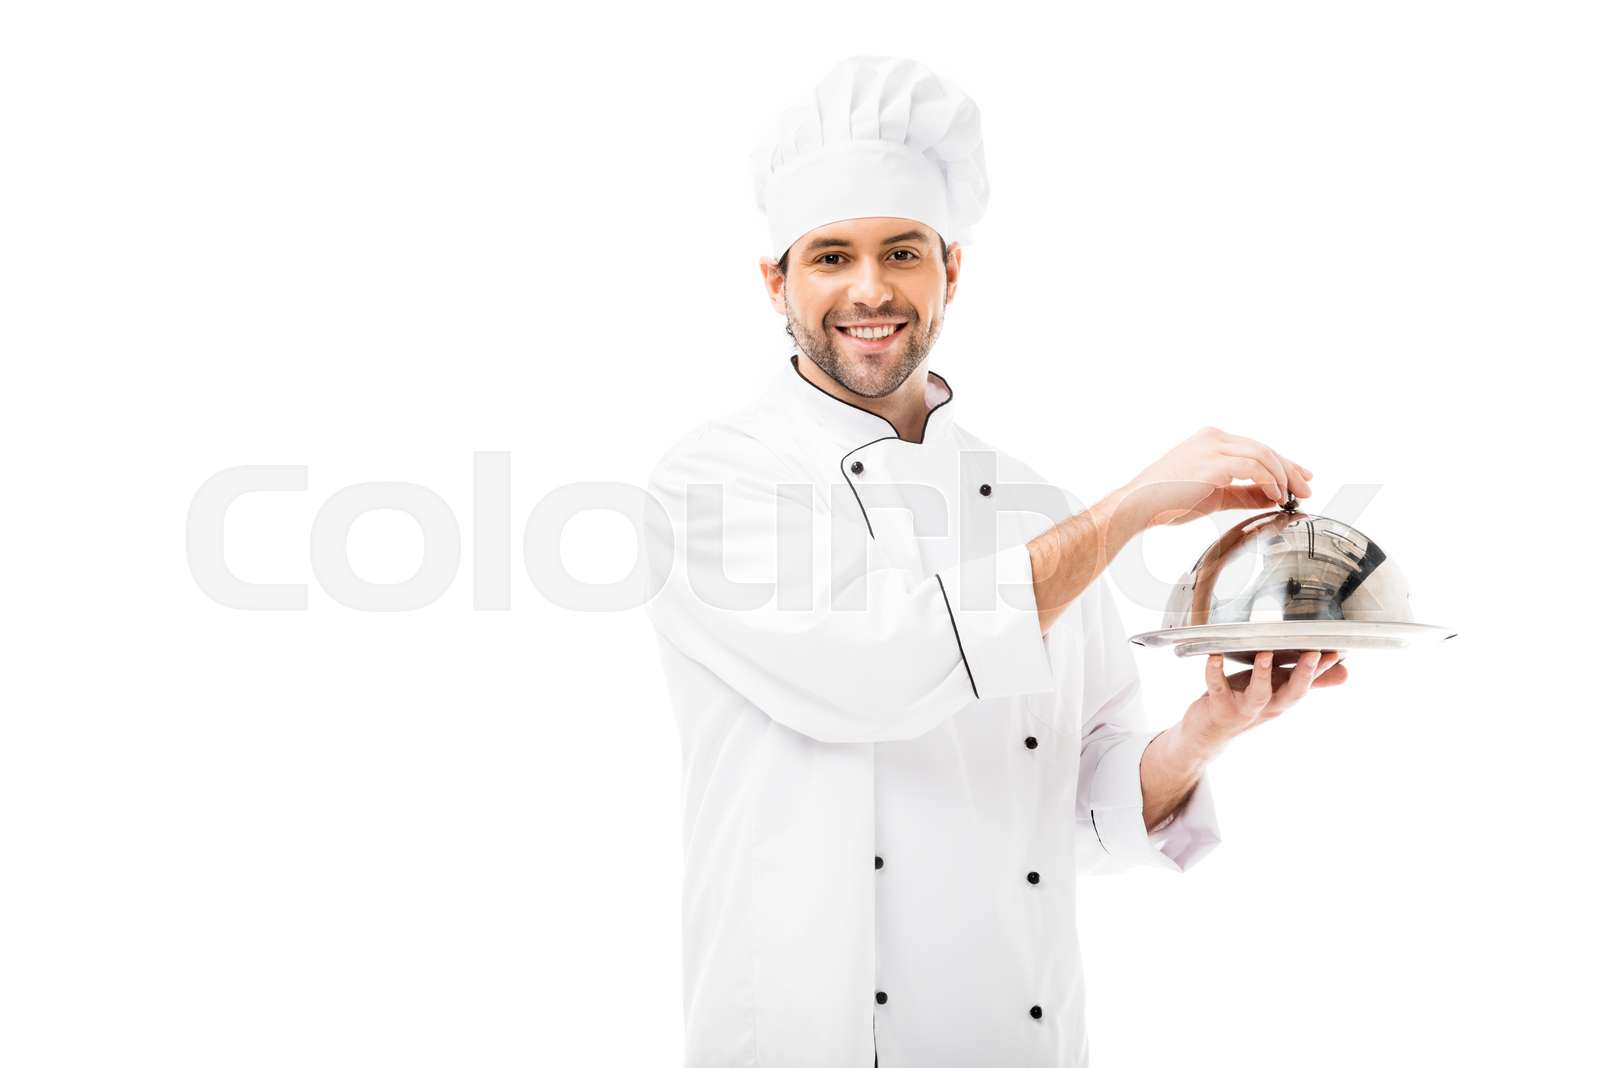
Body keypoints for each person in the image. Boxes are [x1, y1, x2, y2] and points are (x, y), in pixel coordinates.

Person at [639, 55, 1348, 1068]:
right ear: (776, 282)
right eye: (832, 256)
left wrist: (1203, 734)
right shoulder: (713, 481)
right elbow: (879, 670)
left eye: (902, 252)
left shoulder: (1034, 510)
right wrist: (1130, 511)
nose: (870, 289)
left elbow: (1079, 810)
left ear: (952, 271)